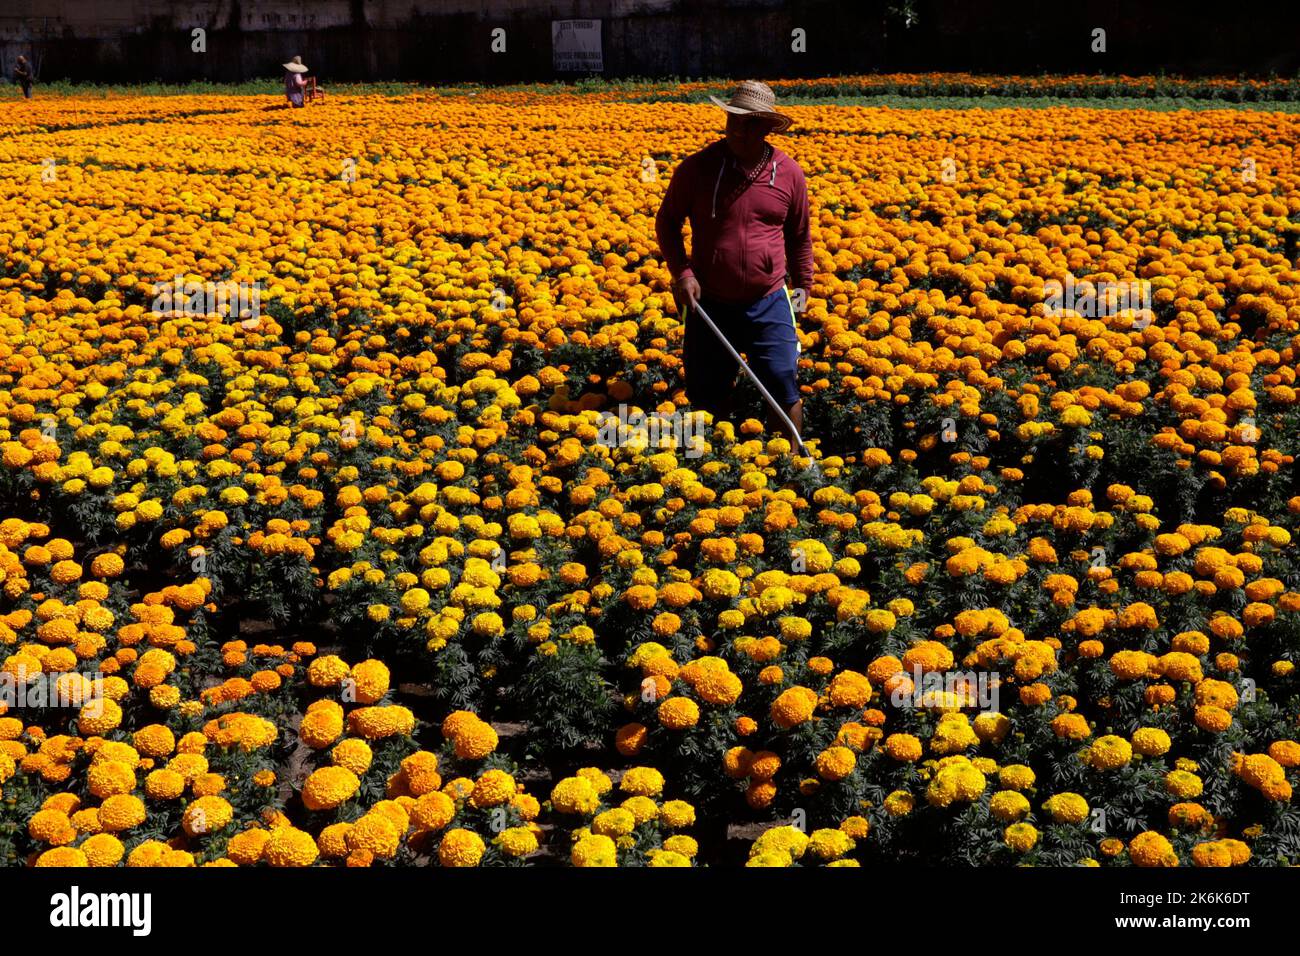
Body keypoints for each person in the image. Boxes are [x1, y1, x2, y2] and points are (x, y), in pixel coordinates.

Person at [655, 80, 814, 444]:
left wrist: (804, 284)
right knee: (706, 390)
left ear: (768, 127)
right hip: (709, 301)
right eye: (734, 120)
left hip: (769, 299)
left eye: (751, 123)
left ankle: (792, 467)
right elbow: (667, 221)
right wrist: (682, 272)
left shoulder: (788, 173)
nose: (739, 129)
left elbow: (799, 234)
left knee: (780, 380)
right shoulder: (697, 169)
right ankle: (711, 464)